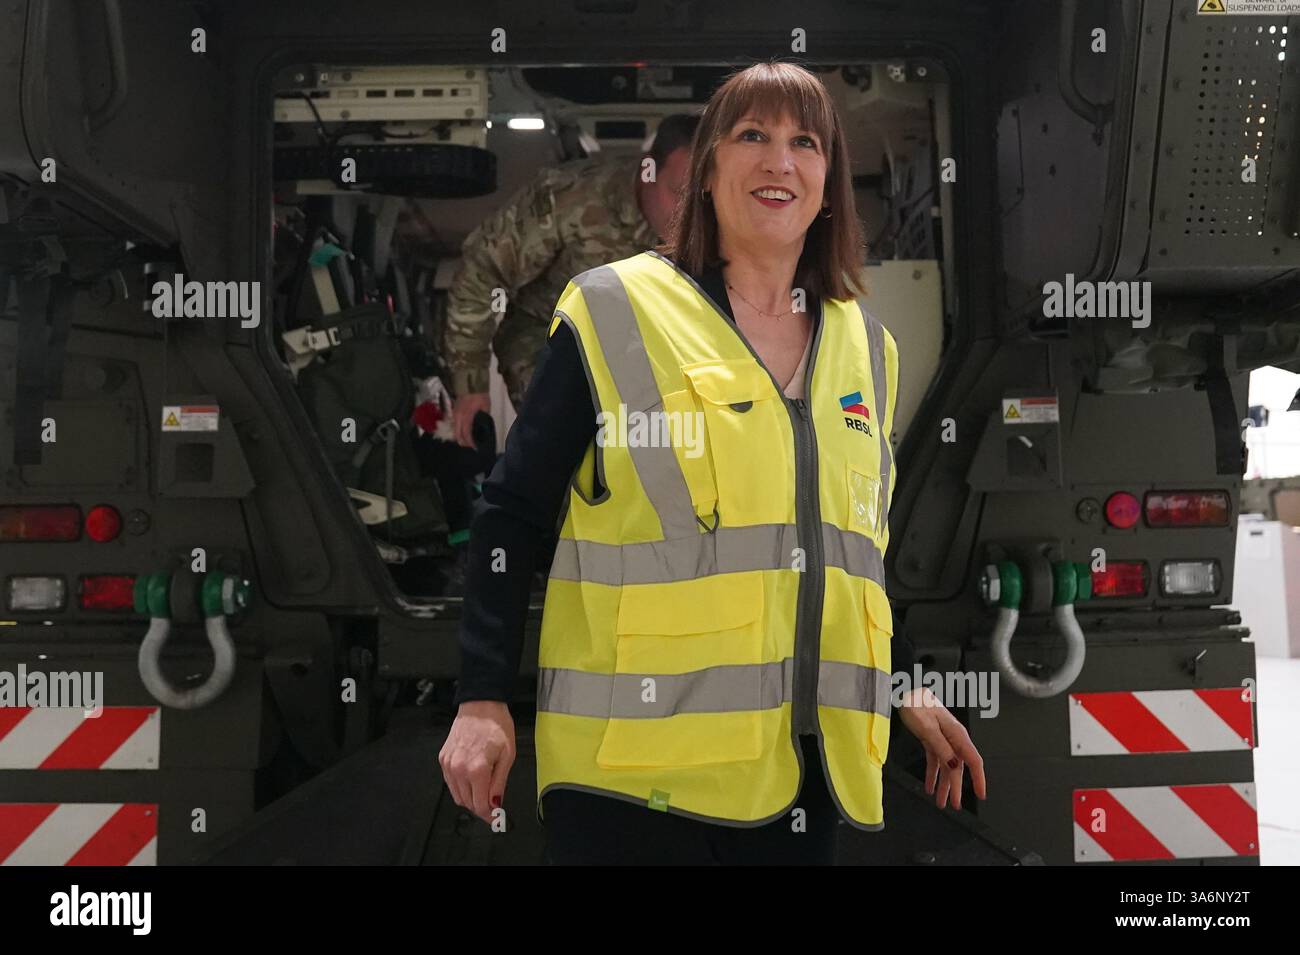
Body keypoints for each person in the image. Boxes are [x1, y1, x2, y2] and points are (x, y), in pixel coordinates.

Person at [439, 62, 987, 865]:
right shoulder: (613, 309)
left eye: (806, 142)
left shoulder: (866, 347)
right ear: (709, 173)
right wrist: (482, 696)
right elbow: (511, 511)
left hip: (800, 779)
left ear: (829, 182)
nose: (780, 160)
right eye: (752, 137)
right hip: (632, 784)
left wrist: (903, 683)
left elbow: (847, 554)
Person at [443, 114, 700, 445]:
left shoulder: (727, 215)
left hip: (655, 349)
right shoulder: (571, 198)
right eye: (678, 193)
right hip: (552, 337)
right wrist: (471, 387)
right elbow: (483, 271)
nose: (688, 212)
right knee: (571, 441)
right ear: (648, 171)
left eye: (701, 197)